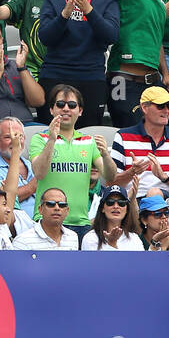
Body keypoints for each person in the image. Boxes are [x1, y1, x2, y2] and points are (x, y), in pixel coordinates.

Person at [37, 0, 121, 126]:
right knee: (49, 136)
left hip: (91, 78)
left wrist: (89, 11)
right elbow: (45, 37)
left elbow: (111, 36)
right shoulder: (53, 0)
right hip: (54, 75)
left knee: (87, 137)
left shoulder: (107, 2)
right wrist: (64, 15)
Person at [30, 87, 117, 240]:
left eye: (71, 105)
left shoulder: (88, 141)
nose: (66, 109)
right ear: (51, 109)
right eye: (60, 104)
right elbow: (39, 173)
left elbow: (110, 176)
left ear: (80, 111)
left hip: (80, 223)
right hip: (47, 221)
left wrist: (105, 155)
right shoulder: (39, 139)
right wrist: (52, 139)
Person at [80, 183, 144, 251]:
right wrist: (112, 244)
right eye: (110, 202)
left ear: (127, 209)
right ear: (102, 208)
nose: (116, 206)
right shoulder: (91, 237)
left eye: (121, 202)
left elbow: (139, 261)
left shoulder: (134, 238)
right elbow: (94, 261)